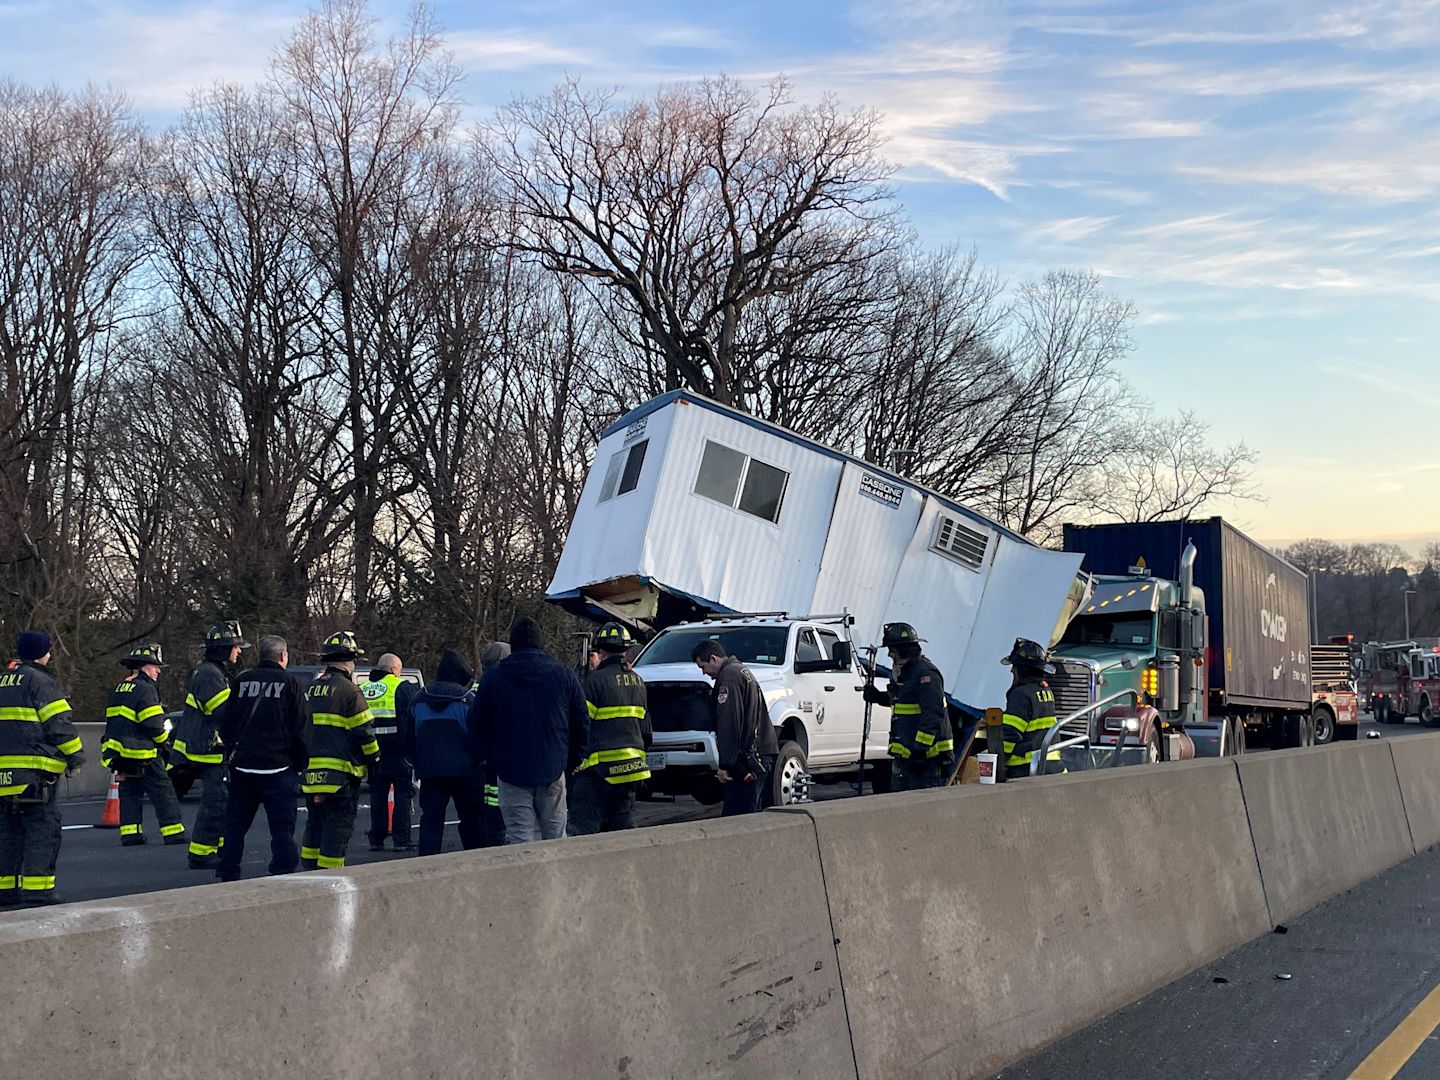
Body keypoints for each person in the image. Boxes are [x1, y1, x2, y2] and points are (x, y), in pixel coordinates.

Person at [471, 617, 586, 844]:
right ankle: (557, 879)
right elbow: (581, 721)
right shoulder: (563, 675)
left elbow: (477, 723)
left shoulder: (493, 679)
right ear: (541, 643)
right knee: (555, 838)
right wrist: (572, 760)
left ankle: (525, 879)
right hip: (552, 767)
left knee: (519, 837)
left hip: (510, 770)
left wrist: (487, 761)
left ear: (513, 645)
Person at [0, 631, 84, 907]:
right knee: (42, 830)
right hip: (34, 774)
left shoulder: (2, 681)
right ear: (41, 653)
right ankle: (38, 891)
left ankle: (6, 889)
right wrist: (75, 757)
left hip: (3, 775)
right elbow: (58, 725)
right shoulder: (41, 681)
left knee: (8, 831)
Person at [216, 634, 309, 882]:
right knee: (281, 827)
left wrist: (231, 751)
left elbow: (227, 723)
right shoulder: (290, 683)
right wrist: (299, 763)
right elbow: (300, 727)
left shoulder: (242, 680)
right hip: (278, 767)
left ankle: (228, 868)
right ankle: (282, 867)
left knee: (235, 824)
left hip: (243, 766)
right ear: (282, 656)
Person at [170, 620, 250, 869]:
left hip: (213, 749)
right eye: (236, 647)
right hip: (207, 750)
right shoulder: (209, 675)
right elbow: (225, 713)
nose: (239, 651)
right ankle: (201, 853)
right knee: (215, 802)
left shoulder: (216, 672)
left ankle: (218, 848)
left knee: (223, 801)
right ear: (224, 648)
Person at [300, 631, 378, 870]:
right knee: (338, 826)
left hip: (310, 774)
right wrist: (374, 757)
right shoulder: (349, 692)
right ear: (348, 661)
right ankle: (330, 874)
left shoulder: (309, 689)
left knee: (315, 822)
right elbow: (364, 732)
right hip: (341, 775)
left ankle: (309, 868)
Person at [100, 644, 186, 847]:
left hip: (119, 753)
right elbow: (153, 724)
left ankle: (131, 834)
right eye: (155, 666)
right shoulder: (145, 689)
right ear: (142, 667)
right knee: (163, 791)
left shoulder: (119, 688)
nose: (158, 670)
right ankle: (173, 832)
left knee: (130, 791)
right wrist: (164, 743)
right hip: (143, 752)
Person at [571, 622, 651, 834]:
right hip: (631, 770)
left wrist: (574, 760)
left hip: (599, 772)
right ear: (626, 649)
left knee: (582, 827)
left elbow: (581, 726)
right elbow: (646, 729)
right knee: (622, 827)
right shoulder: (638, 681)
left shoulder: (595, 681)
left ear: (601, 651)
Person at [861, 622, 954, 791]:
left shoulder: (925, 674)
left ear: (902, 650)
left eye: (892, 650)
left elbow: (932, 715)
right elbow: (902, 702)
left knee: (921, 809)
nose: (889, 655)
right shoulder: (903, 672)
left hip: (925, 761)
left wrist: (920, 750)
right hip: (905, 758)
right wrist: (877, 697)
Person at [691, 639, 778, 816]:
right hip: (759, 754)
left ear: (713, 659)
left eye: (703, 667)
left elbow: (729, 722)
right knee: (750, 811)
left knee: (737, 818)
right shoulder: (740, 671)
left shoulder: (728, 677)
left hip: (746, 760)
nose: (704, 673)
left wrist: (726, 764)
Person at [412, 649, 482, 855]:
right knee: (471, 822)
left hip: (430, 772)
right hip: (466, 773)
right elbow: (478, 735)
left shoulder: (418, 699)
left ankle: (425, 868)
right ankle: (474, 864)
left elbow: (407, 737)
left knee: (431, 822)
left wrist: (417, 762)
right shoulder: (468, 699)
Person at [360, 653, 419, 852]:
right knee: (402, 795)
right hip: (398, 751)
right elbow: (414, 716)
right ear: (394, 669)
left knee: (377, 796)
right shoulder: (401, 687)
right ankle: (401, 840)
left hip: (372, 751)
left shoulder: (363, 688)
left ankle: (376, 838)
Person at [999, 638, 1059, 781]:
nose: (1012, 671)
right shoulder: (1045, 691)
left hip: (1025, 770)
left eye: (1014, 666)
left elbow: (1010, 734)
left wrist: (996, 760)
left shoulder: (1021, 695)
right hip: (1051, 766)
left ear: (1021, 669)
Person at [473, 641, 510, 846]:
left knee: (487, 797)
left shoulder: (478, 684)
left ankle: (489, 833)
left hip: (484, 753)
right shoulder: (501, 682)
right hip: (501, 751)